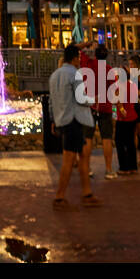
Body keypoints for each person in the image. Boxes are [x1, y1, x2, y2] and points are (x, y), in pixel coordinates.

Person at [48, 44, 102, 208]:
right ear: (74, 58)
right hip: (74, 120)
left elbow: (52, 101)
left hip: (63, 120)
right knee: (69, 158)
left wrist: (53, 120)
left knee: (83, 156)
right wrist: (94, 100)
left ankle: (87, 193)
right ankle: (59, 196)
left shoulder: (55, 75)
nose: (80, 60)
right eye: (79, 57)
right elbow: (81, 98)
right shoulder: (74, 74)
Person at [87, 44, 117, 179]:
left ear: (95, 54)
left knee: (88, 138)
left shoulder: (89, 67)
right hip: (106, 107)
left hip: (91, 106)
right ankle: (109, 169)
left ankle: (87, 168)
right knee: (107, 138)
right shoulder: (109, 70)